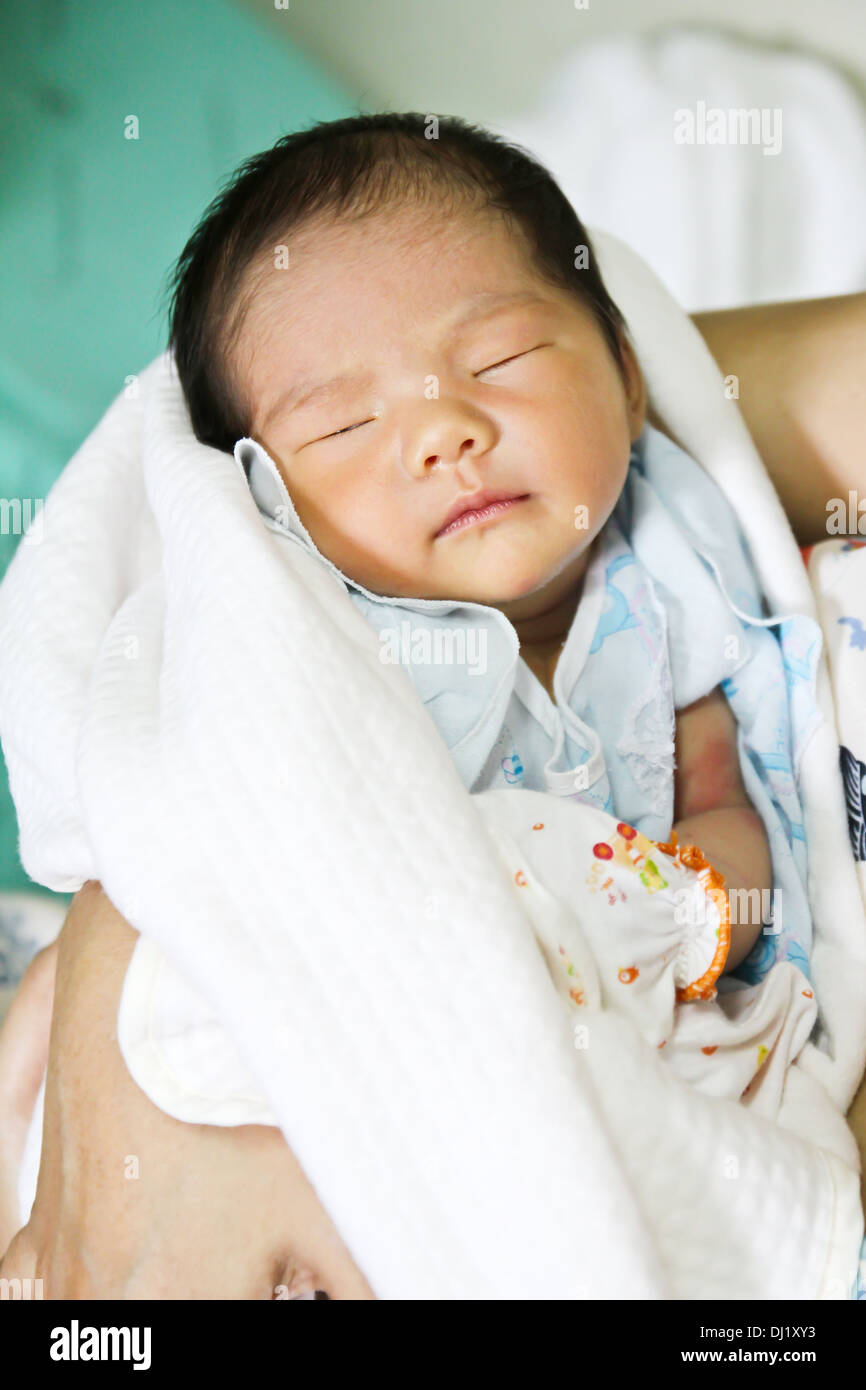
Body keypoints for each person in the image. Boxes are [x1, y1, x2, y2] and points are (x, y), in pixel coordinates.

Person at [1, 112, 865, 1299]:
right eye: (345, 424)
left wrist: (695, 900)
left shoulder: (668, 579)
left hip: (605, 996)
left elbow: (717, 788)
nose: (442, 432)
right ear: (264, 501)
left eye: (499, 359)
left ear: (623, 369)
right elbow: (214, 818)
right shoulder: (321, 630)